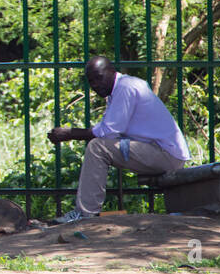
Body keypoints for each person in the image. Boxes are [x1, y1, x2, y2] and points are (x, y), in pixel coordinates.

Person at [47, 55, 190, 224]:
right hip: (161, 151)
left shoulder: (126, 88)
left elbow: (109, 131)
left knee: (98, 147)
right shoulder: (118, 90)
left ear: (112, 72)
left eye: (98, 78)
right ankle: (87, 212)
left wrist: (69, 133)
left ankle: (86, 213)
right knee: (100, 145)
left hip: (166, 155)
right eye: (91, 81)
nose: (95, 85)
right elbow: (111, 130)